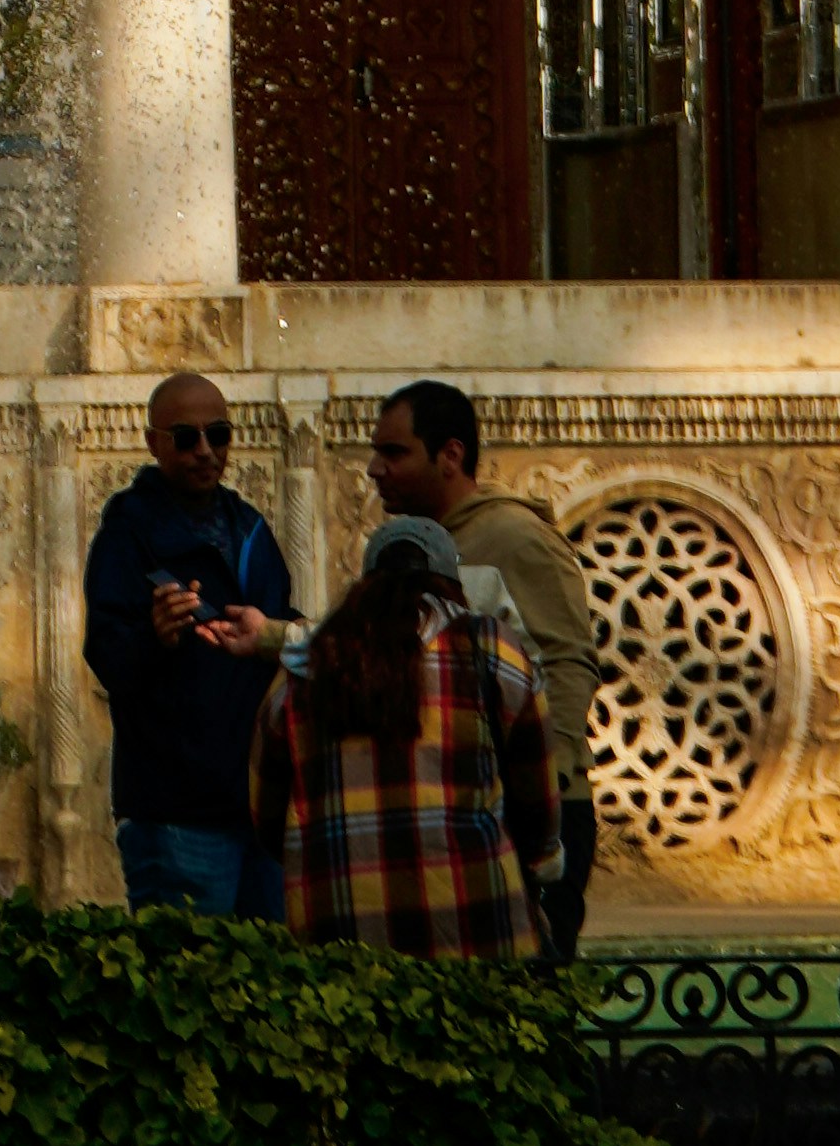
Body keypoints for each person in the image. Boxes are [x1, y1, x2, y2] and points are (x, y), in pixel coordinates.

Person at [371, 378, 606, 964]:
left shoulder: (515, 537)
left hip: (535, 813)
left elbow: (568, 661)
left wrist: (548, 787)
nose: (375, 469)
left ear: (450, 455)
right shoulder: (423, 546)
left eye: (394, 453)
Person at [250, 522, 562, 957]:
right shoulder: (486, 648)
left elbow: (265, 812)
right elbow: (538, 791)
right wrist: (542, 860)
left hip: (340, 946)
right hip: (479, 929)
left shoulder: (305, 667)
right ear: (451, 584)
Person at [79, 370, 295, 912]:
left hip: (257, 805)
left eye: (218, 434)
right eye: (185, 437)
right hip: (176, 810)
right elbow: (107, 655)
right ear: (153, 443)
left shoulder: (249, 527)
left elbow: (279, 631)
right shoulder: (127, 537)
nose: (205, 450)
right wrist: (157, 637)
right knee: (186, 983)